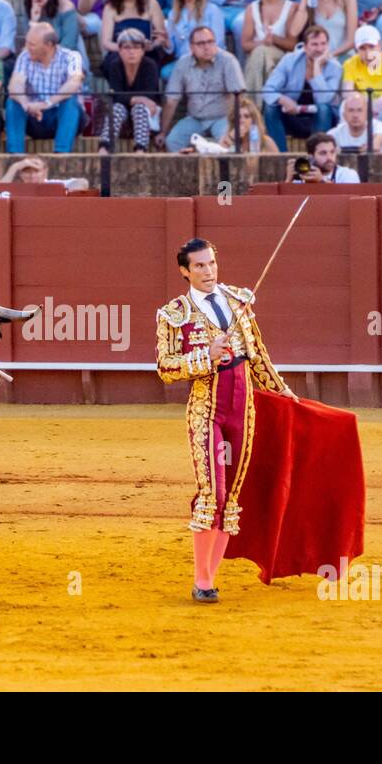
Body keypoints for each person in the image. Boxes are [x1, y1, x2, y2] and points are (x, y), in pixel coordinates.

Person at [154, 237, 299, 603]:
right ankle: (203, 582)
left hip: (243, 407)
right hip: (207, 409)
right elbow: (165, 368)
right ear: (184, 271)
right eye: (199, 266)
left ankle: (210, 576)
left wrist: (281, 391)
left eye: (212, 263)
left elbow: (258, 354)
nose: (208, 271)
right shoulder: (173, 313)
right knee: (212, 493)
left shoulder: (239, 300)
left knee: (231, 495)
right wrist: (207, 354)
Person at [158, 26, 245, 152]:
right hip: (195, 118)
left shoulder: (228, 60)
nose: (206, 47)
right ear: (191, 47)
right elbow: (172, 100)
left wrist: (237, 125)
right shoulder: (183, 63)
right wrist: (163, 132)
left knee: (229, 146)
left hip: (222, 118)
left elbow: (239, 97)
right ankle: (188, 171)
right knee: (172, 141)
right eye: (201, 43)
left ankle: (221, 172)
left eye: (210, 42)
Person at [5, 24, 85, 154]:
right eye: (27, 43)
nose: (27, 47)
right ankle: (15, 155)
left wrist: (46, 104)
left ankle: (61, 154)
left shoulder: (71, 56)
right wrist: (26, 104)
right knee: (13, 102)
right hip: (34, 116)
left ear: (48, 45)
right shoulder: (24, 57)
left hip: (61, 115)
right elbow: (15, 85)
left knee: (71, 100)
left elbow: (74, 83)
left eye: (32, 44)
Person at [263, 24, 341, 149]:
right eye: (314, 44)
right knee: (270, 108)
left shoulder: (335, 67)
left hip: (322, 119)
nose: (320, 49)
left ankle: (317, 154)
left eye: (323, 44)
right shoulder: (289, 60)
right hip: (292, 115)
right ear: (305, 47)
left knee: (324, 108)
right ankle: (279, 154)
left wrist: (317, 68)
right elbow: (268, 89)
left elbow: (324, 99)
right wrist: (283, 99)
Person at [340, 24, 382, 151]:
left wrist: (379, 102)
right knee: (345, 105)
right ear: (356, 50)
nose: (368, 52)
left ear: (380, 45)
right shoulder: (350, 64)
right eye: (362, 48)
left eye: (371, 47)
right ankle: (349, 148)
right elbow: (346, 92)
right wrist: (367, 102)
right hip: (363, 107)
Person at [99, 27, 161, 153]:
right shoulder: (115, 65)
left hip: (146, 113)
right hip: (122, 113)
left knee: (139, 108)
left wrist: (139, 100)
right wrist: (139, 98)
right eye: (127, 47)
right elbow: (116, 95)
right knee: (116, 108)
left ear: (143, 50)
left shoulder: (150, 66)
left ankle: (140, 150)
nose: (131, 52)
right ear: (120, 50)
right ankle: (104, 148)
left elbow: (150, 96)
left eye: (136, 47)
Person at [240, 0, 298, 92]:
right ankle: (264, 103)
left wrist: (273, 39)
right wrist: (262, 42)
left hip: (281, 57)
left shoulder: (290, 7)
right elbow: (245, 44)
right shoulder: (252, 8)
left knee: (261, 53)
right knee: (261, 54)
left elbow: (292, 44)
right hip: (258, 59)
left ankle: (251, 104)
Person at [101, 0, 170, 71]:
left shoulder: (151, 4)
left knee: (148, 65)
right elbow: (106, 42)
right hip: (118, 54)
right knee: (116, 65)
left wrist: (151, 46)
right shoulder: (110, 8)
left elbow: (161, 35)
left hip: (147, 53)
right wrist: (126, 49)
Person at [165, 0, 226, 80]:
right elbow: (171, 48)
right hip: (182, 60)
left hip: (208, 59)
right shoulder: (173, 14)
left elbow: (218, 41)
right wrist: (165, 41)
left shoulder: (212, 10)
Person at [288, 0, 358, 60]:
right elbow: (294, 32)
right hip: (317, 57)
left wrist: (329, 56)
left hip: (343, 56)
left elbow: (351, 41)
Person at [22, 0, 82, 68]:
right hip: (39, 60)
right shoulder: (29, 10)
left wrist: (47, 57)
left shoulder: (65, 7)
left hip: (66, 60)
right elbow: (29, 46)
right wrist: (34, 22)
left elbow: (69, 43)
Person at [287, 131, 360, 181]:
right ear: (311, 155)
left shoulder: (347, 175)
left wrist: (321, 181)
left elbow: (345, 199)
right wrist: (288, 180)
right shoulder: (302, 174)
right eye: (323, 153)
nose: (329, 157)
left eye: (332, 152)